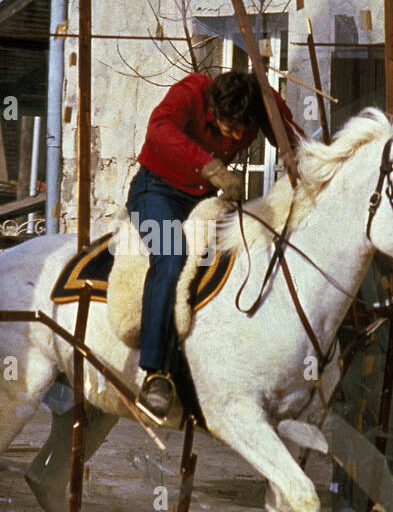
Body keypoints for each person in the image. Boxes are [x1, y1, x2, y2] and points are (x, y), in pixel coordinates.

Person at [127, 69, 304, 422]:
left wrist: (300, 157)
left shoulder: (259, 100)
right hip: (156, 191)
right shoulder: (191, 91)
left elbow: (290, 136)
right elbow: (159, 130)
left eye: (244, 129)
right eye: (230, 127)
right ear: (213, 110)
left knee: (236, 259)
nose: (238, 136)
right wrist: (211, 168)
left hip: (202, 199)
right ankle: (156, 374)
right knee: (171, 256)